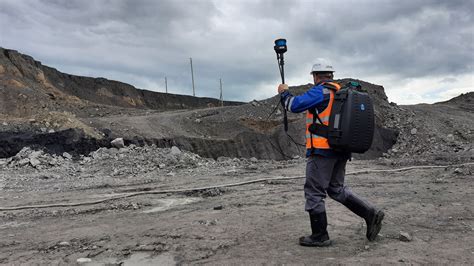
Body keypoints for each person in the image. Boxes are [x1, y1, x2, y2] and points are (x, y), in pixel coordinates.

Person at [277, 60, 384, 247]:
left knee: (314, 191)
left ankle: (319, 235)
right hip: (341, 149)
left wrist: (284, 92)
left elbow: (293, 105)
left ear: (316, 76)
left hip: (322, 151)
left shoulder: (321, 91)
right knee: (336, 189)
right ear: (331, 75)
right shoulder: (341, 92)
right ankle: (370, 213)